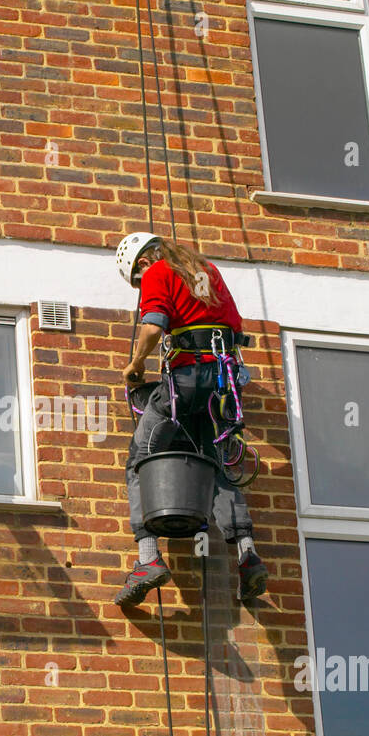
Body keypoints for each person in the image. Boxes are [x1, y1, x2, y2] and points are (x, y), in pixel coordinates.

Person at [114, 232, 269, 607]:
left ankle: (148, 558)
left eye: (137, 278)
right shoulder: (208, 271)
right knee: (217, 468)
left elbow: (152, 325)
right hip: (223, 385)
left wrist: (135, 366)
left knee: (139, 460)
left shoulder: (158, 271)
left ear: (142, 262)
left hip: (186, 380)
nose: (140, 284)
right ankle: (247, 556)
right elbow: (235, 328)